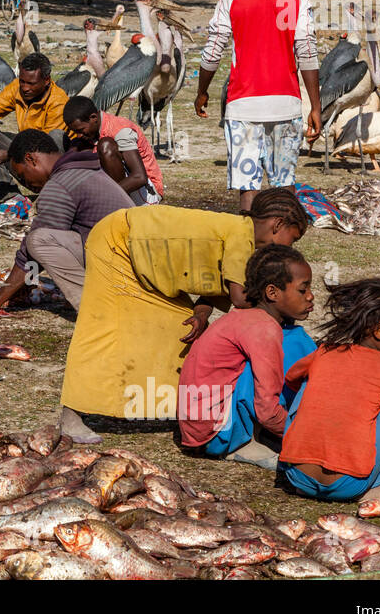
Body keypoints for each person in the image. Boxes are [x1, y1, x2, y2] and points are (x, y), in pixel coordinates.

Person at [59, 187, 310, 442]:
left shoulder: (243, 238)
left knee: (179, 328)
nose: (292, 247)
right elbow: (239, 298)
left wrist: (201, 314)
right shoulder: (241, 234)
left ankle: (175, 409)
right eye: (294, 238)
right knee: (105, 330)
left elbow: (216, 285)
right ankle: (71, 415)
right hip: (117, 244)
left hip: (143, 262)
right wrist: (283, 302)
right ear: (278, 225)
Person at [194, 0, 323, 211]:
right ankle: (284, 248)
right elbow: (307, 53)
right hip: (286, 103)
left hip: (243, 105)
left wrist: (202, 92)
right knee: (284, 184)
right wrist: (315, 105)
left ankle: (248, 248)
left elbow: (212, 53)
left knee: (248, 186)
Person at [279, 278, 380, 503]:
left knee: (308, 383)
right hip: (351, 485)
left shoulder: (325, 351)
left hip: (297, 477)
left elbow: (292, 378)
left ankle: (304, 464)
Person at [178, 244, 314, 469]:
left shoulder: (245, 317)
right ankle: (244, 443)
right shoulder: (264, 328)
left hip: (198, 426)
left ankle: (260, 432)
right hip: (215, 434)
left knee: (287, 341)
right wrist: (307, 439)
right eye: (302, 290)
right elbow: (267, 411)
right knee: (293, 343)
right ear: (272, 293)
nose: (310, 297)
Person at [0, 129, 131, 315]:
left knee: (38, 240)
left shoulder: (59, 185)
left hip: (121, 264)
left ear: (31, 160)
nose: (27, 183)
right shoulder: (83, 168)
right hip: (127, 252)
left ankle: (97, 307)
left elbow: (30, 254)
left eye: (23, 176)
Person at [0, 52, 68, 199]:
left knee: (56, 136)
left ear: (46, 80)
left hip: (50, 168)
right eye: (22, 81)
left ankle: (53, 195)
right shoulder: (17, 88)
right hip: (25, 156)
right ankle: (6, 196)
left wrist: (9, 155)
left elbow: (45, 149)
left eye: (31, 83)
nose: (25, 88)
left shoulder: (58, 101)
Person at [63, 96, 163, 204]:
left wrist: (101, 198)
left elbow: (139, 177)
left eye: (81, 130)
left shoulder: (121, 130)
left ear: (93, 118)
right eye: (75, 132)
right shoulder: (91, 133)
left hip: (148, 193)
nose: (78, 135)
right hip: (121, 190)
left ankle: (115, 207)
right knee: (76, 147)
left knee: (105, 146)